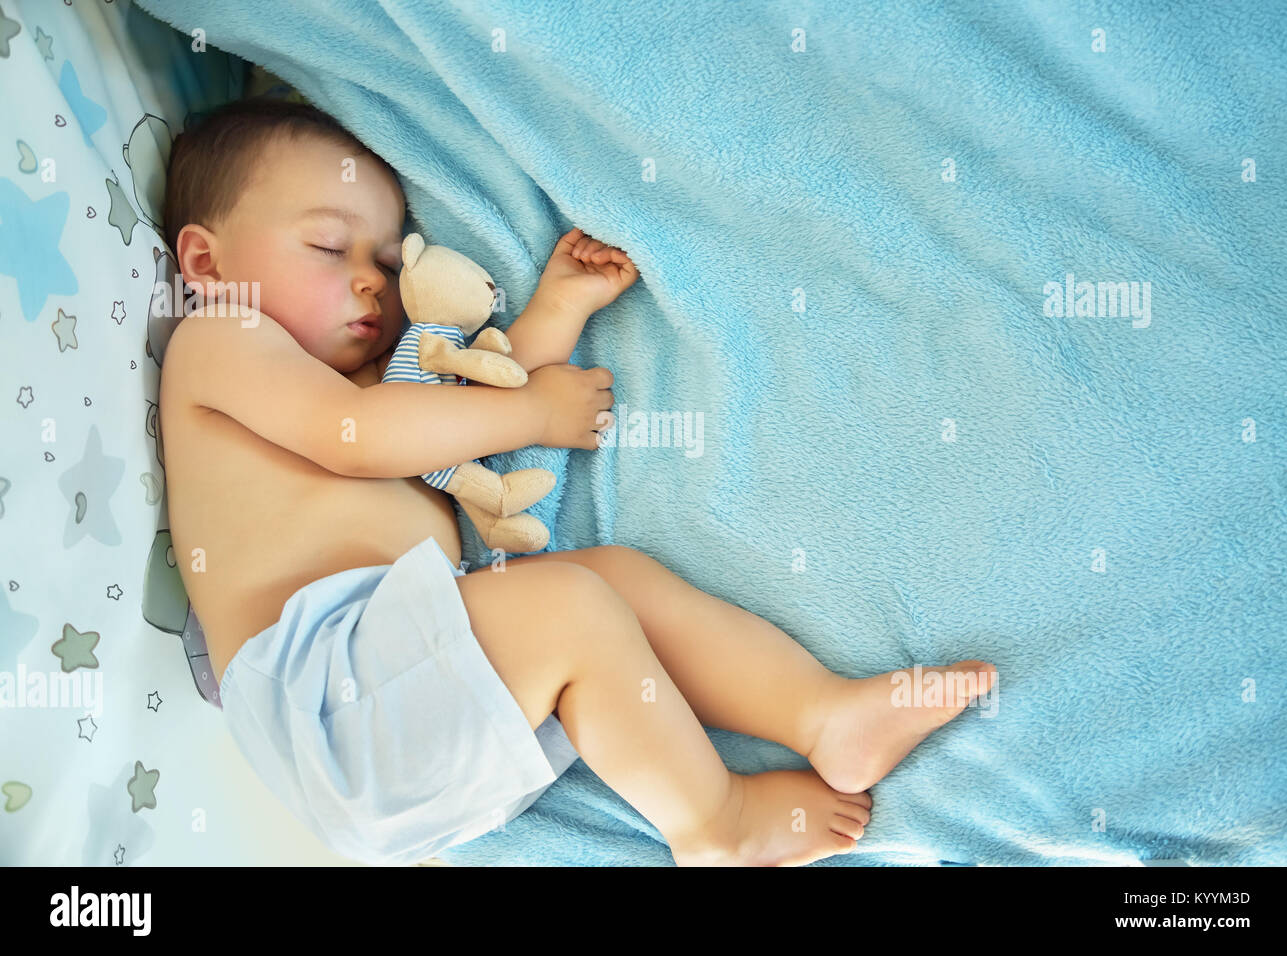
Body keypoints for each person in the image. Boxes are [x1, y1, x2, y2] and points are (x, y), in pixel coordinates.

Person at [159, 97, 997, 867]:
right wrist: (532, 419)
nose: (373, 279)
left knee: (611, 583)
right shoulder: (223, 337)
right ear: (206, 258)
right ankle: (716, 823)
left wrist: (556, 312)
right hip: (337, 706)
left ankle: (822, 716)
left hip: (418, 686)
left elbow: (445, 414)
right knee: (570, 607)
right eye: (328, 246)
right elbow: (357, 440)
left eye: (384, 256)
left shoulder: (370, 384)